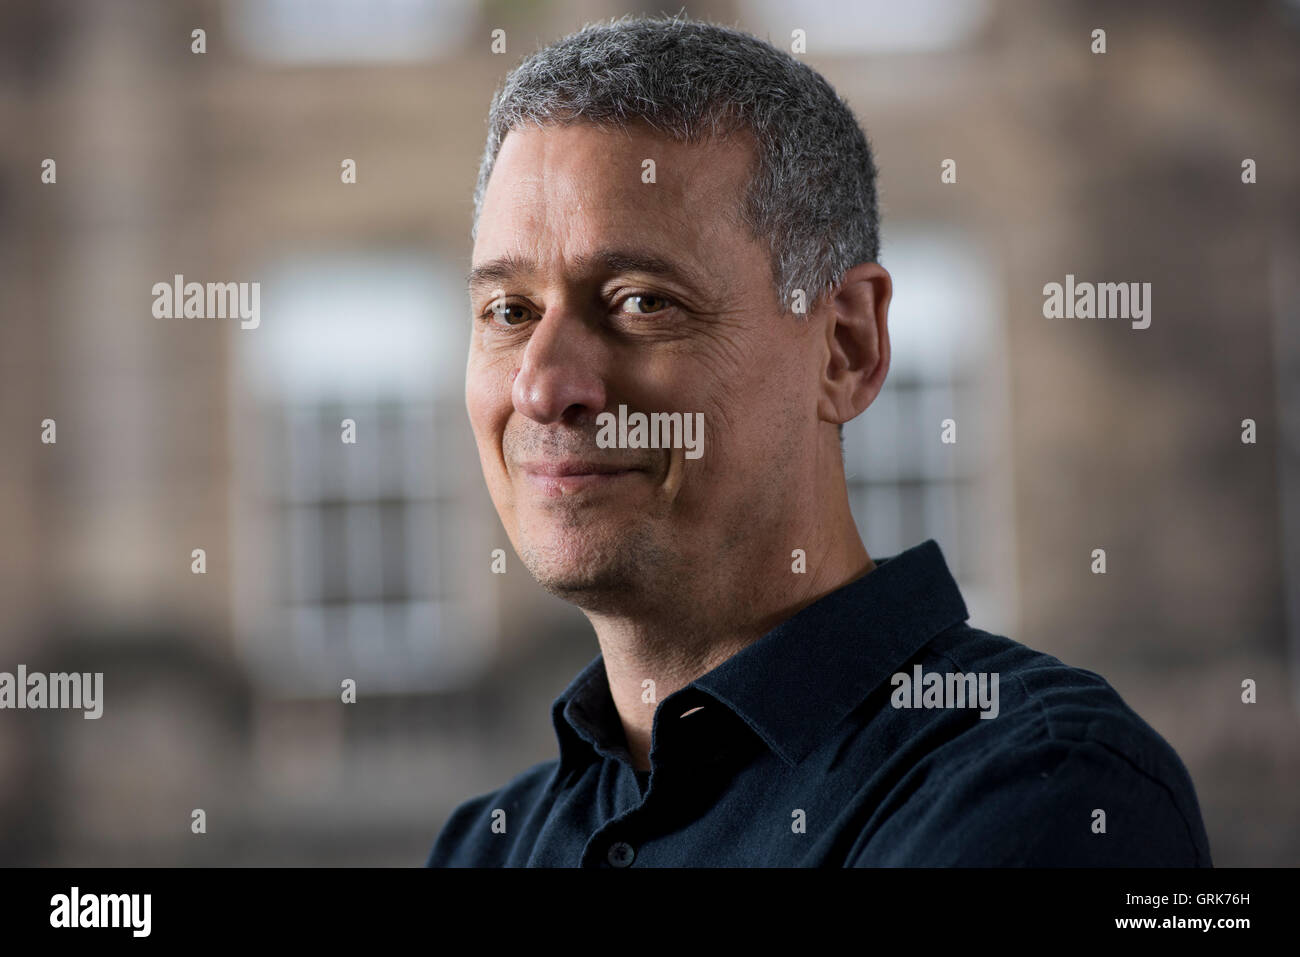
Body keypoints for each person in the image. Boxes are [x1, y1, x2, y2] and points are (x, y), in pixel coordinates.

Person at [427, 13, 1212, 867]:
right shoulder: (482, 845)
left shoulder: (1051, 790)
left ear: (847, 346)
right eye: (509, 312)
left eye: (642, 301)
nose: (543, 385)